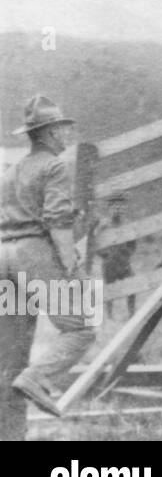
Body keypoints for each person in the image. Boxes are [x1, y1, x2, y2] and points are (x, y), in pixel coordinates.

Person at [0, 95, 97, 434]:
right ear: (51, 132)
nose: (67, 135)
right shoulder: (54, 166)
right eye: (63, 129)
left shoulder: (11, 172)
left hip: (4, 259)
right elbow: (57, 221)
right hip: (34, 255)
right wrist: (71, 266)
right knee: (81, 327)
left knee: (8, 364)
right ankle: (38, 379)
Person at [94, 193, 136, 319]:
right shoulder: (103, 225)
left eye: (120, 206)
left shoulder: (127, 225)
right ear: (109, 208)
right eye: (114, 206)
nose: (117, 209)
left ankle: (132, 314)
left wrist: (127, 254)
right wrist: (105, 255)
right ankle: (109, 315)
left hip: (124, 263)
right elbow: (95, 244)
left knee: (132, 284)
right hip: (109, 264)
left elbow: (133, 244)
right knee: (109, 289)